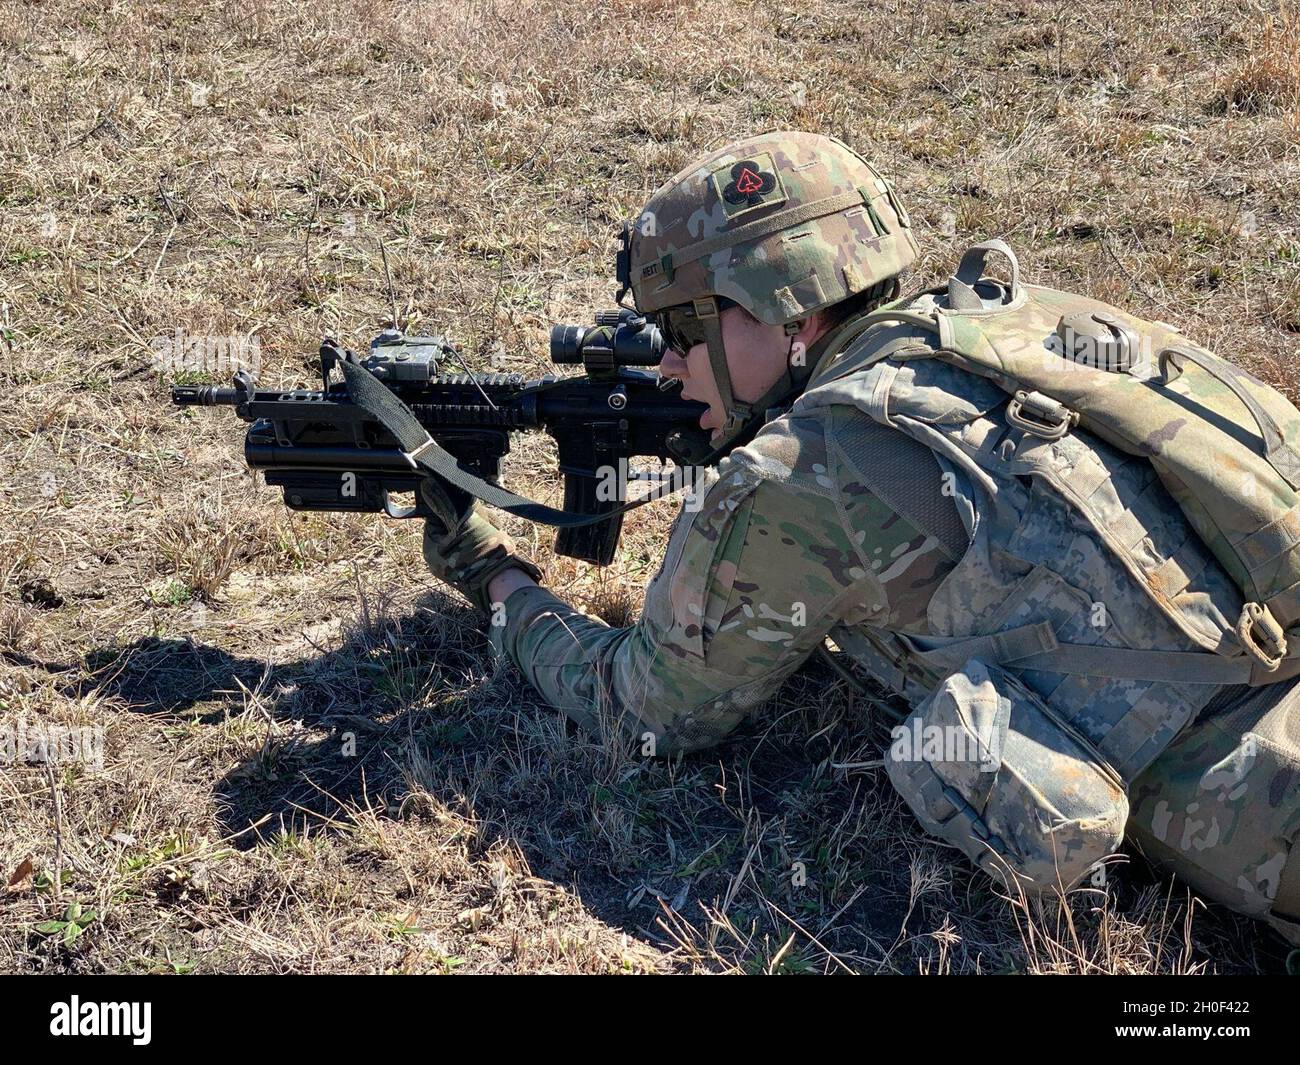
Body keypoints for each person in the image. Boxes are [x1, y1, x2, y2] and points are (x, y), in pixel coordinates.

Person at [418, 130, 1300, 947]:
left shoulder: (803, 472)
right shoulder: (996, 320)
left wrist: (496, 577)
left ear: (794, 318)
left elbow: (639, 708)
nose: (665, 364)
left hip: (1264, 795)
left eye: (685, 327)